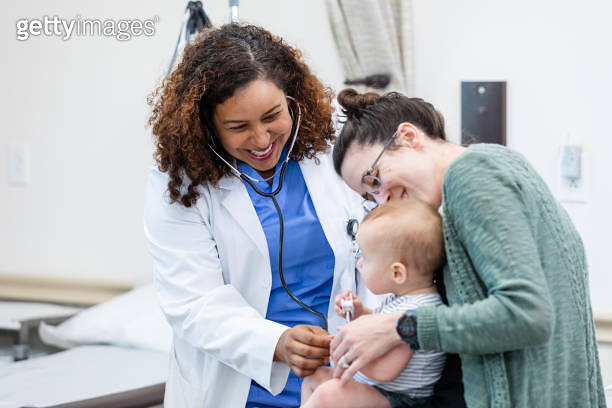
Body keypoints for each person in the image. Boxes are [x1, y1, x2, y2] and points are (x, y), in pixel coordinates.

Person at [328, 88, 606, 407]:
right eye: (369, 197)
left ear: (407, 136)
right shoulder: (495, 169)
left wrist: (400, 326)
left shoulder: (472, 175)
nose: (382, 200)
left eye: (374, 180)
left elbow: (527, 314)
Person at [144, 24, 368, 407]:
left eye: (272, 116)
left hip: (345, 380)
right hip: (238, 389)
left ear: (292, 100)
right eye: (239, 127)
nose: (262, 140)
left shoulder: (335, 144)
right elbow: (193, 304)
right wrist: (277, 343)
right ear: (208, 127)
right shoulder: (180, 185)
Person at [301, 199, 447, 408]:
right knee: (317, 378)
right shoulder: (403, 298)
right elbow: (379, 330)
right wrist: (361, 313)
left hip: (403, 400)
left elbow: (385, 371)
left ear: (397, 273)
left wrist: (347, 355)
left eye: (366, 258)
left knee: (329, 395)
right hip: (379, 391)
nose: (359, 263)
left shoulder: (416, 311)